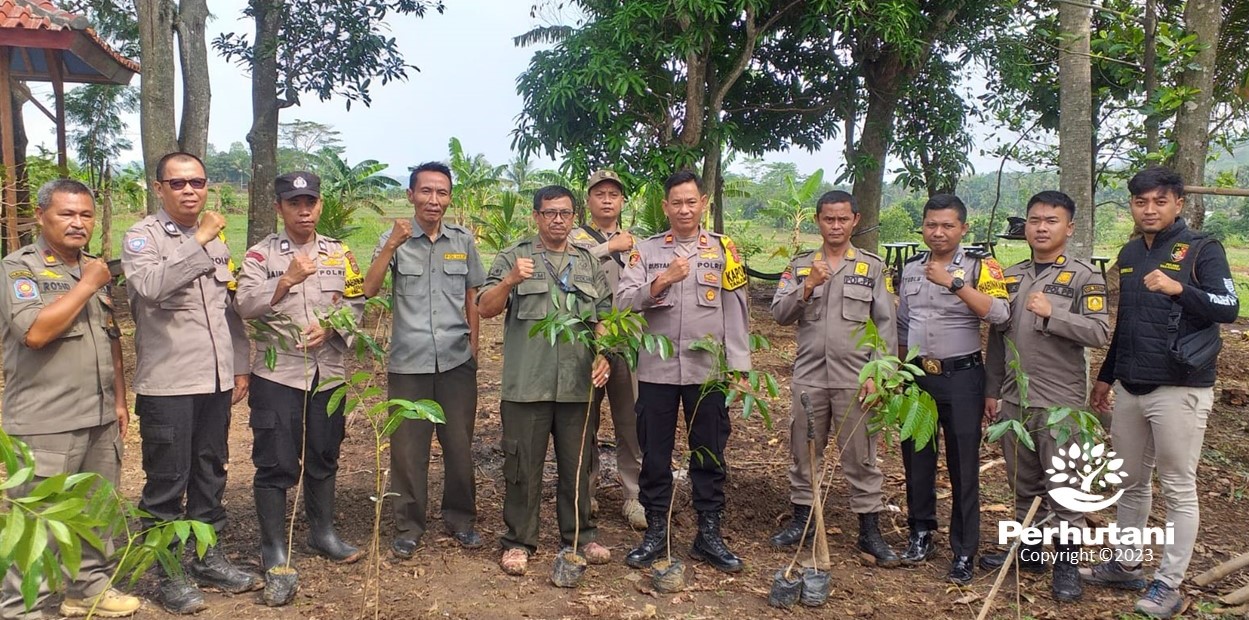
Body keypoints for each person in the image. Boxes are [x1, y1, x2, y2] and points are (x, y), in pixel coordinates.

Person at [1084, 167, 1239, 619]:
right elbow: (1126, 324)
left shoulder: (1203, 249)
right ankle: (1126, 562)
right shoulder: (1131, 253)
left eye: (1158, 202)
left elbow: (1229, 308)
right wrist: (1105, 377)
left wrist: (1179, 289)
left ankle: (1168, 583)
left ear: (1177, 204)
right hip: (1131, 385)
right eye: (1140, 202)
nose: (1149, 209)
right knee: (1129, 482)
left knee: (1177, 486)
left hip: (1180, 386)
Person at [122, 152, 260, 613]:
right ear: (159, 187)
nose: (189, 191)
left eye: (197, 183)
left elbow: (230, 311)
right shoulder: (142, 237)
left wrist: (239, 365)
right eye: (177, 183)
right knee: (166, 480)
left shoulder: (219, 246)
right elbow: (151, 288)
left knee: (210, 469)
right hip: (168, 384)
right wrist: (198, 239)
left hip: (215, 379)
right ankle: (167, 571)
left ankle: (206, 555)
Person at [0, 179, 142, 619]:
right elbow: (37, 333)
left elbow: (111, 337)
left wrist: (119, 399)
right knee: (39, 521)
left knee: (98, 511)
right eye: (67, 214)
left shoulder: (91, 268)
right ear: (42, 216)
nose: (78, 223)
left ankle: (88, 588)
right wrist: (87, 284)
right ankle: (24, 607)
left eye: (86, 215)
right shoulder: (17, 269)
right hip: (46, 421)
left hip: (99, 414)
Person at [617, 170, 751, 573]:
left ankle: (708, 533)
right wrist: (662, 281)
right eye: (676, 202)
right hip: (656, 371)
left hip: (706, 372)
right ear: (665, 206)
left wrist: (740, 368)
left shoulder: (724, 249)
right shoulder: (646, 250)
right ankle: (656, 530)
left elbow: (737, 310)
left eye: (691, 201)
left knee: (709, 452)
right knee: (654, 454)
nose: (684, 209)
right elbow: (623, 300)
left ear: (704, 203)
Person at [235, 172, 366, 574]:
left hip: (327, 373)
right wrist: (285, 282)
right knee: (275, 461)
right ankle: (274, 545)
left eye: (310, 201)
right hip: (279, 377)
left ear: (320, 205)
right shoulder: (260, 256)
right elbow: (242, 305)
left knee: (325, 454)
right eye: (294, 203)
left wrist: (331, 328)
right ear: (279, 208)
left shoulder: (339, 253)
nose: (303, 210)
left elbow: (357, 301)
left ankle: (322, 533)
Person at [478, 185, 613, 576]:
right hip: (527, 384)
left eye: (565, 213)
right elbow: (485, 308)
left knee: (579, 465)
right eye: (550, 212)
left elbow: (604, 314)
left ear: (574, 218)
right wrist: (509, 282)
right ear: (536, 216)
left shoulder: (587, 263)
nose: (558, 220)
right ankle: (518, 541)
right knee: (522, 467)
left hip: (577, 384)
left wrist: (604, 353)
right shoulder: (513, 256)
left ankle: (581, 536)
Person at [982, 191, 1110, 602]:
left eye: (1051, 221)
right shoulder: (1011, 275)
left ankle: (1067, 563)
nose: (1040, 227)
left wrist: (1056, 314)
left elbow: (1099, 332)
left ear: (1068, 228)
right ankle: (1031, 551)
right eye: (1035, 219)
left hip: (1060, 401)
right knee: (1023, 481)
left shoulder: (1085, 276)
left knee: (1064, 485)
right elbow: (998, 339)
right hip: (1014, 399)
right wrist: (992, 390)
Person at [768, 190, 900, 567]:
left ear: (855, 220)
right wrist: (807, 286)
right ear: (818, 220)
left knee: (861, 455)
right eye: (829, 219)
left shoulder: (872, 268)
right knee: (805, 451)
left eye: (843, 219)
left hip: (857, 377)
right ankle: (803, 520)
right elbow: (778, 313)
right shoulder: (800, 266)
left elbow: (886, 328)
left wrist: (881, 375)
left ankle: (869, 529)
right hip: (810, 376)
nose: (836, 226)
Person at [362, 162, 486, 557]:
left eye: (442, 193)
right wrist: (390, 246)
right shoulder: (394, 238)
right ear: (411, 195)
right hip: (409, 361)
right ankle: (409, 525)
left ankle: (461, 519)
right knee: (408, 449)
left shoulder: (462, 240)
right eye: (426, 191)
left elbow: (473, 297)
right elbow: (369, 289)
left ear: (450, 197)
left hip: (455, 359)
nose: (434, 200)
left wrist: (474, 348)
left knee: (459, 445)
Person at [896, 193, 1009, 585]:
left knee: (963, 466)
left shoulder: (982, 266)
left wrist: (955, 282)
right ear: (923, 227)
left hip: (962, 378)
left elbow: (1000, 313)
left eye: (947, 225)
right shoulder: (911, 268)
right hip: (916, 378)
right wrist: (899, 372)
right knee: (916, 457)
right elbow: (901, 323)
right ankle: (921, 532)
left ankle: (964, 551)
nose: (938, 232)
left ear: (963, 228)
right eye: (931, 225)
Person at [569, 168, 646, 530]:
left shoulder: (638, 241)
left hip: (627, 341)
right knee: (585, 420)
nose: (607, 200)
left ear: (622, 201)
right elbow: (565, 269)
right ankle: (587, 491)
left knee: (630, 419)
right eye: (600, 194)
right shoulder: (573, 236)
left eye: (613, 194)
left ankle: (634, 494)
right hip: (584, 341)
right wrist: (609, 248)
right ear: (588, 200)